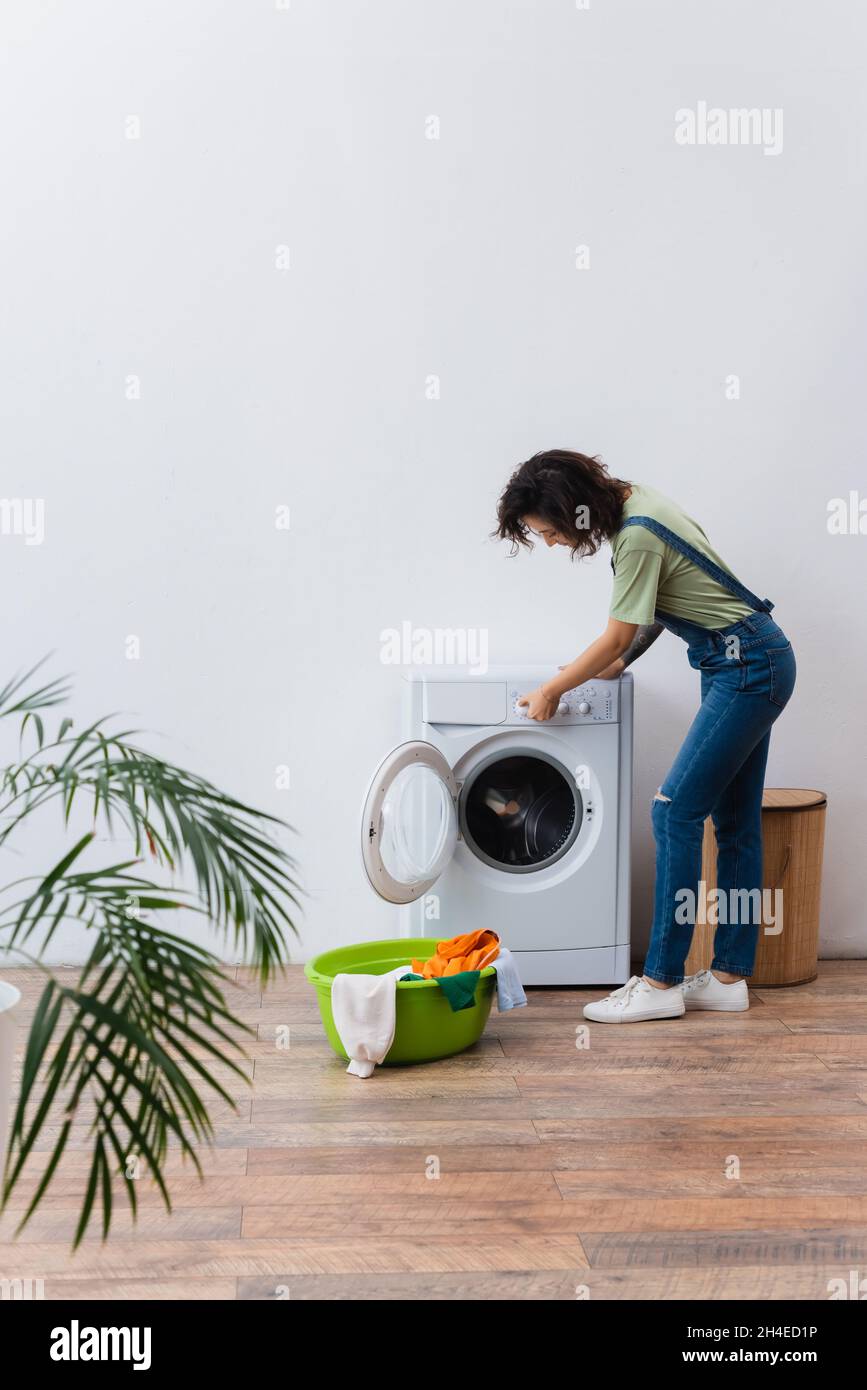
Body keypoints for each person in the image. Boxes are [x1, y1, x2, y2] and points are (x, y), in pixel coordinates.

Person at [494, 449, 796, 1023]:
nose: (554, 544)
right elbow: (660, 607)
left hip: (747, 669)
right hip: (750, 658)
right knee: (734, 820)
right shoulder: (641, 502)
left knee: (672, 813)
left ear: (571, 509)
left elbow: (615, 636)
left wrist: (553, 689)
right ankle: (730, 977)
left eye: (550, 532)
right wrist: (615, 663)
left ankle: (660, 983)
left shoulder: (634, 535)